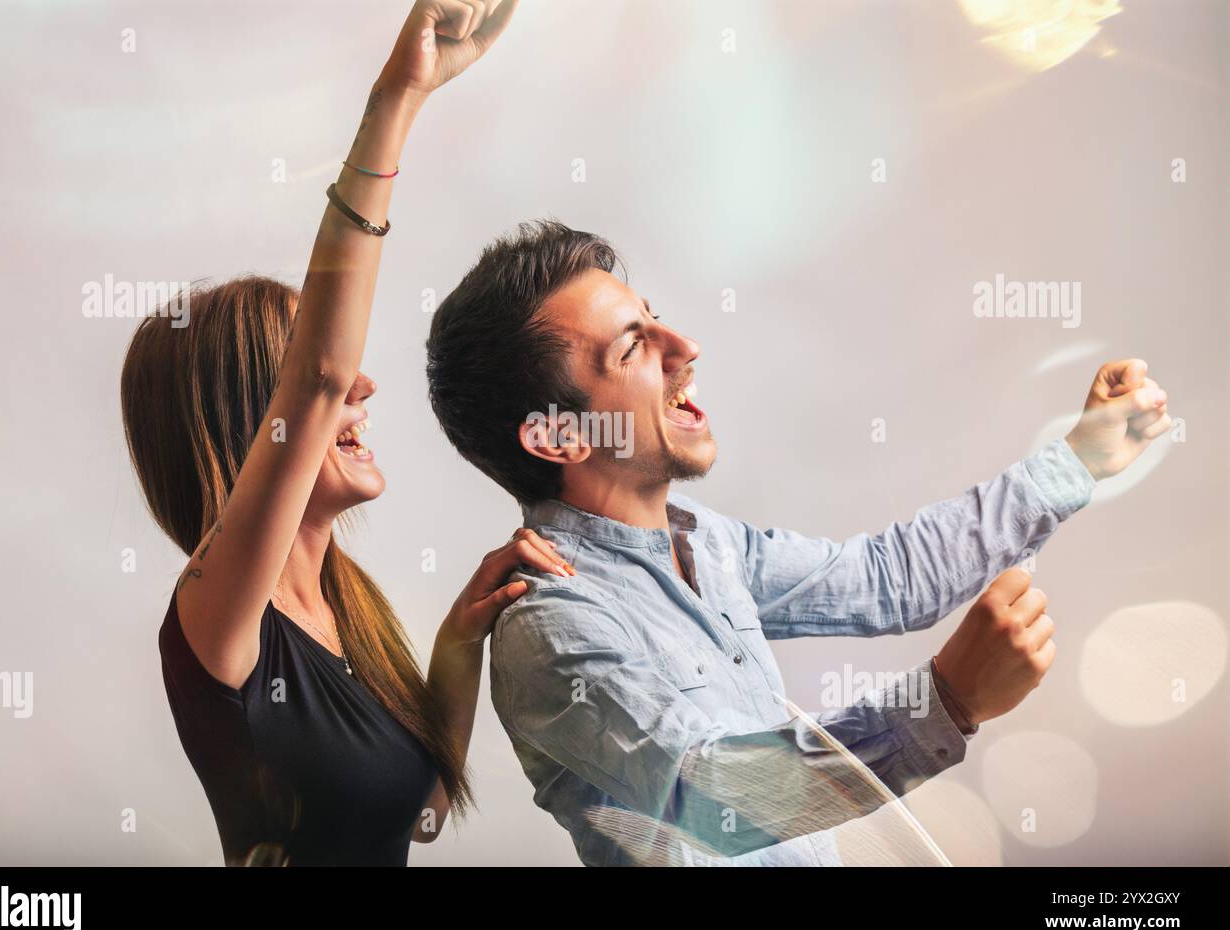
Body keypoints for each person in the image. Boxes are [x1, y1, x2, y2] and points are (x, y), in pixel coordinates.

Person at [424, 219, 1173, 865]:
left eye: (654, 319)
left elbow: (884, 580)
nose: (685, 346)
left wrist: (1077, 461)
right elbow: (718, 799)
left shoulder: (704, 541)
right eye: (632, 348)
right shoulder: (551, 623)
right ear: (556, 435)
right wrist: (948, 700)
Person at [119, 0, 537, 866]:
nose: (360, 382)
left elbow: (417, 811)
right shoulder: (213, 611)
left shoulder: (350, 608)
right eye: (322, 372)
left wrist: (459, 641)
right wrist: (398, 99)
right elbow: (317, 381)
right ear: (252, 417)